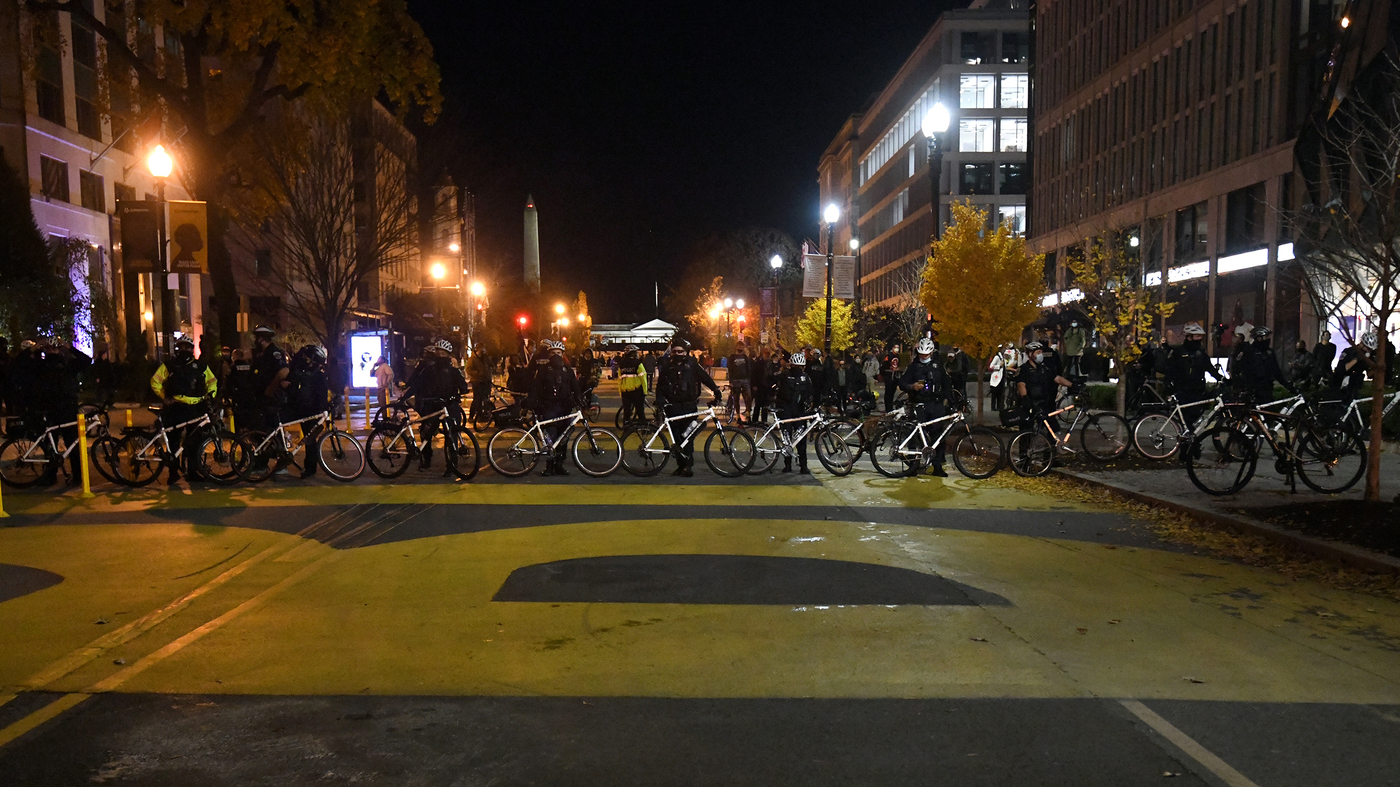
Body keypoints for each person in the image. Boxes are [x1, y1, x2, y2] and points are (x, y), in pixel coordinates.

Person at [150, 337, 218, 483]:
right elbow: (155, 381)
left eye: (187, 348)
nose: (184, 350)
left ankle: (192, 472)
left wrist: (210, 397)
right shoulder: (169, 365)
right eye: (182, 347)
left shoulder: (201, 366)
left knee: (194, 443)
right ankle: (173, 473)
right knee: (173, 442)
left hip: (196, 408)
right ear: (177, 349)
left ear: (192, 349)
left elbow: (212, 382)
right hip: (176, 408)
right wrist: (165, 397)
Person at [654, 339, 720, 477]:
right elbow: (660, 385)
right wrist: (660, 399)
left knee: (688, 437)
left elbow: (705, 378)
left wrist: (716, 390)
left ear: (686, 352)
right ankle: (680, 465)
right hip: (672, 407)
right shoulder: (667, 367)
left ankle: (688, 466)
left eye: (681, 351)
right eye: (674, 351)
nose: (677, 354)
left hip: (689, 406)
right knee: (677, 439)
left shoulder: (693, 365)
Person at [403, 339, 470, 472]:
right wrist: (404, 398)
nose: (440, 356)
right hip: (432, 405)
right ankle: (426, 458)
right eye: (438, 353)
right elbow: (417, 384)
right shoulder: (429, 370)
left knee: (451, 435)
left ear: (448, 355)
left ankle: (451, 465)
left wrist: (460, 392)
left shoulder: (452, 371)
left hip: (449, 406)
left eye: (443, 354)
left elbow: (463, 386)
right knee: (427, 433)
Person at [525, 340, 581, 476]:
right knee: (551, 438)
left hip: (565, 407)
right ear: (549, 355)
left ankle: (559, 465)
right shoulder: (543, 370)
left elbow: (574, 386)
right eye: (553, 353)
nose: (556, 356)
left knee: (563, 438)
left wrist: (579, 399)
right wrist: (530, 404)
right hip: (548, 407)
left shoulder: (567, 370)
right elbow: (535, 388)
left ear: (563, 354)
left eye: (558, 353)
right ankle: (549, 466)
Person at [899, 338, 951, 476]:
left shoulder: (938, 365)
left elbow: (947, 384)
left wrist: (951, 401)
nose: (923, 357)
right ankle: (913, 466)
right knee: (914, 436)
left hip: (935, 404)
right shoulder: (913, 367)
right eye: (921, 354)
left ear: (931, 353)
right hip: (919, 405)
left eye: (926, 355)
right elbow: (902, 383)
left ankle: (937, 466)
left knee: (938, 436)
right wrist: (912, 386)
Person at [287, 345, 332, 477]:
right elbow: (321, 395)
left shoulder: (303, 372)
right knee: (310, 441)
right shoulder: (316, 374)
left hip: (303, 408)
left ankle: (309, 467)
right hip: (311, 410)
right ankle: (309, 468)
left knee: (310, 439)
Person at [1016, 340, 1077, 428]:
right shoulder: (1024, 369)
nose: (1041, 355)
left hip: (1043, 403)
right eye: (1038, 352)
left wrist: (1072, 385)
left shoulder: (1044, 368)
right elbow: (1021, 384)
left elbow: (1057, 378)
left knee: (1053, 427)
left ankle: (1052, 441)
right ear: (1030, 354)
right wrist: (1025, 398)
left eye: (1041, 352)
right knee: (1026, 431)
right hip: (1029, 404)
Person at [775, 352, 815, 473]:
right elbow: (778, 392)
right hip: (788, 411)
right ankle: (789, 464)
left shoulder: (805, 378)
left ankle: (802, 465)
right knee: (787, 438)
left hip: (799, 412)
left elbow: (810, 394)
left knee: (800, 438)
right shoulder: (784, 376)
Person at [1164, 322, 1221, 403]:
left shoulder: (1201, 354)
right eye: (1197, 336)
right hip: (1182, 392)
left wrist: (1221, 378)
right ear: (1189, 337)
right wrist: (1169, 387)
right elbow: (1169, 370)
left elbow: (1210, 368)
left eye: (1201, 336)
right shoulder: (1178, 352)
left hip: (1198, 391)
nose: (1200, 339)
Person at [1236, 326, 1294, 404]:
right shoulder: (1248, 352)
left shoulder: (1269, 353)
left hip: (1267, 391)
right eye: (1266, 337)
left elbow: (1277, 372)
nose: (1268, 339)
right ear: (1259, 338)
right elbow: (1241, 371)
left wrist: (1288, 386)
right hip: (1253, 393)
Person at [250, 326, 290, 431]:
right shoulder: (261, 354)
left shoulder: (274, 353)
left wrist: (270, 389)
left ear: (261, 339)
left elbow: (283, 371)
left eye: (256, 338)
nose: (255, 340)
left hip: (270, 400)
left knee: (272, 430)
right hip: (260, 398)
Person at [1333, 331, 1375, 400]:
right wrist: (1357, 358)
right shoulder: (1349, 352)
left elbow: (1369, 375)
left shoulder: (1367, 356)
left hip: (1355, 387)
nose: (1368, 351)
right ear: (1362, 344)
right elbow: (1342, 369)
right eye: (1367, 348)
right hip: (1341, 385)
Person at [223, 349, 258, 432]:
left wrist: (226, 395)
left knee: (237, 417)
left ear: (235, 356)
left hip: (238, 396)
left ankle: (238, 436)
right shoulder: (249, 366)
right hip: (249, 395)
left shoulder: (233, 367)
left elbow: (229, 382)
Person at [618, 345, 648, 426]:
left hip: (625, 391)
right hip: (636, 391)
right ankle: (644, 427)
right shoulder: (638, 363)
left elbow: (620, 379)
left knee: (627, 410)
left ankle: (626, 426)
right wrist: (645, 391)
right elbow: (643, 378)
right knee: (640, 410)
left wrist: (620, 391)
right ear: (633, 354)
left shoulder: (622, 365)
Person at [466, 345, 493, 424]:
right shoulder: (472, 359)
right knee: (477, 399)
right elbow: (468, 370)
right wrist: (478, 373)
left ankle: (481, 415)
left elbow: (492, 365)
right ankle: (472, 416)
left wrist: (487, 357)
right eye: (482, 348)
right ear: (478, 349)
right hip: (477, 381)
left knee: (484, 399)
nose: (484, 350)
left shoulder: (485, 358)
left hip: (486, 381)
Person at [727, 346, 753, 423]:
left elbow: (749, 368)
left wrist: (748, 379)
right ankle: (737, 415)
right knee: (736, 398)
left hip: (744, 380)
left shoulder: (745, 357)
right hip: (735, 380)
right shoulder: (732, 357)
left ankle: (748, 414)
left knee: (748, 398)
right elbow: (730, 369)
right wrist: (731, 381)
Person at [881, 344, 902, 413]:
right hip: (889, 376)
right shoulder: (889, 356)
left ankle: (891, 407)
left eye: (898, 347)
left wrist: (898, 369)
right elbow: (884, 365)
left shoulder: (898, 357)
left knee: (893, 392)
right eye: (895, 347)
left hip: (895, 377)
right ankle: (888, 408)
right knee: (888, 393)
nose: (897, 349)